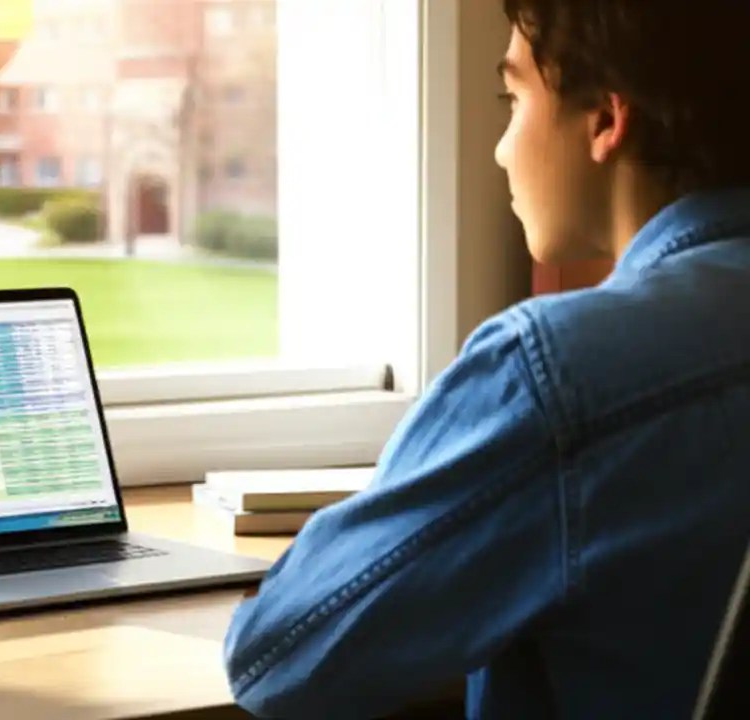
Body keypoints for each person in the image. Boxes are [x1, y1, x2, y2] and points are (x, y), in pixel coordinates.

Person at [223, 2, 750, 718]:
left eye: (514, 98)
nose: (502, 148)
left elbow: (276, 659)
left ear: (604, 118)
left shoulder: (555, 378)